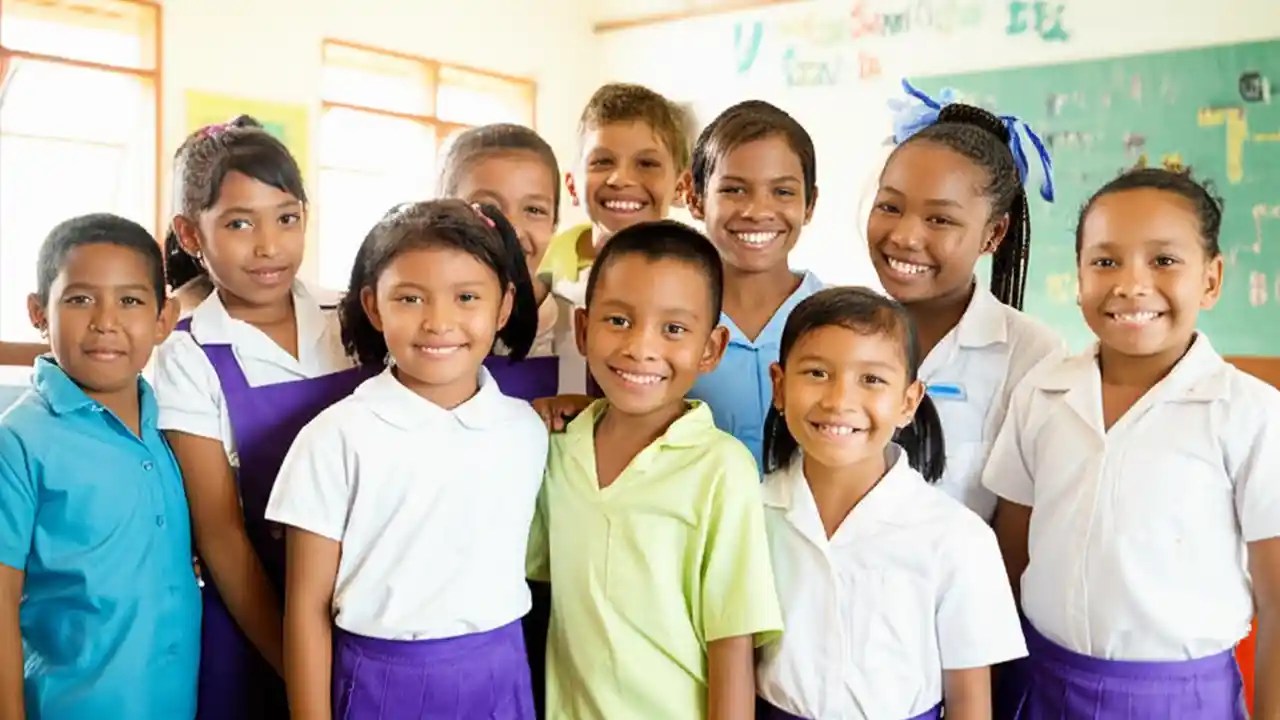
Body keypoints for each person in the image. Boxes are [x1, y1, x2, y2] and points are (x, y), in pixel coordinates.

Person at [984, 166, 1279, 717]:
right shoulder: (1042, 393)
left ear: (1211, 280)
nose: (1131, 284)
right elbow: (1011, 554)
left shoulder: (1249, 413)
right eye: (1104, 261)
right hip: (1042, 681)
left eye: (1164, 260)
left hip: (1185, 699)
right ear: (1078, 279)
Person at [267, 200, 545, 719]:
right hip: (381, 679)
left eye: (467, 297)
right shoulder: (335, 438)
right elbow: (305, 611)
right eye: (410, 298)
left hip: (501, 670)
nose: (439, 323)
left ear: (503, 306)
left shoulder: (525, 430)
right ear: (374, 307)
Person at [154, 115, 371, 719]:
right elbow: (220, 535)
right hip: (257, 616)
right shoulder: (189, 356)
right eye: (239, 223)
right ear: (190, 235)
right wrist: (297, 661)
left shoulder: (352, 316)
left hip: (366, 604)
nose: (270, 246)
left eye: (287, 217)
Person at [526, 221, 783, 719]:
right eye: (618, 321)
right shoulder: (558, 448)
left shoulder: (722, 469)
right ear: (582, 329)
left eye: (674, 329)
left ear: (710, 348)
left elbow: (732, 641)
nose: (641, 348)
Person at [754, 286, 1025, 720]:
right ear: (780, 386)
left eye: (872, 379)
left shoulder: (957, 538)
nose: (839, 400)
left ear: (908, 401)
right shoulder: (748, 517)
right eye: (817, 373)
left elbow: (971, 700)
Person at [0, 214, 200, 719]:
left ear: (163, 319)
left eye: (130, 301)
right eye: (80, 299)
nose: (105, 321)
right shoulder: (18, 440)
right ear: (38, 313)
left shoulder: (170, 425)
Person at [868, 80, 1063, 520]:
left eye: (940, 219)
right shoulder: (841, 331)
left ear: (993, 234)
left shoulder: (1032, 356)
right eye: (890, 207)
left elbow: (1021, 533)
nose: (904, 236)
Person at [684, 100, 824, 468]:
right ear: (695, 198)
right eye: (734, 190)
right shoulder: (670, 321)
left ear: (810, 205)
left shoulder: (837, 322)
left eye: (782, 192)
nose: (758, 211)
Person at [537, 83, 690, 399]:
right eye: (602, 162)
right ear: (572, 185)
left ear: (681, 186)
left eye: (646, 164)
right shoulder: (542, 267)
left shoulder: (696, 277)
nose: (621, 179)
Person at [438, 123, 561, 401]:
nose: (513, 230)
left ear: (555, 223)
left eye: (534, 210)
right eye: (487, 207)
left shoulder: (578, 333)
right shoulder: (419, 326)